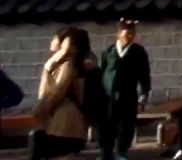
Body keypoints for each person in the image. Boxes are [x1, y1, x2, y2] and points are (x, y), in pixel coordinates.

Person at [30, 28, 88, 160]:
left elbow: (56, 92)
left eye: (56, 39)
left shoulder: (66, 65)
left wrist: (40, 109)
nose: (52, 41)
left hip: (64, 123)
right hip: (62, 123)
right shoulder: (60, 64)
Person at [99, 20, 151, 160]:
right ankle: (106, 152)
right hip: (108, 95)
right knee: (107, 125)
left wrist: (143, 98)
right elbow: (102, 73)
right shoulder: (108, 52)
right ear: (118, 34)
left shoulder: (138, 52)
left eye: (132, 34)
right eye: (127, 33)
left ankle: (122, 151)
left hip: (128, 94)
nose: (129, 37)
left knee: (126, 125)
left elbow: (144, 76)